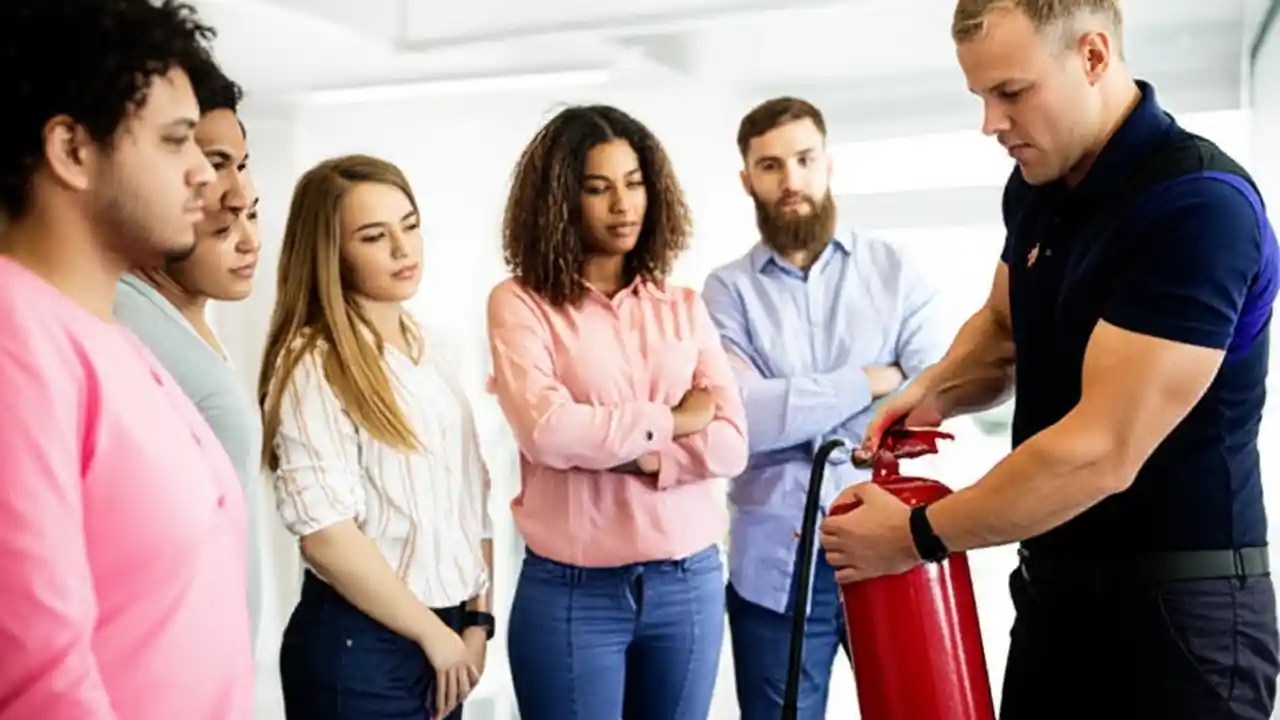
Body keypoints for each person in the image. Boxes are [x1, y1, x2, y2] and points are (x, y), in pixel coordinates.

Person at [819, 2, 1280, 718]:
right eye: (980, 97)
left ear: (1093, 56)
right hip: (1054, 596)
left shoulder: (1197, 208)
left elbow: (1102, 451)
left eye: (1011, 92)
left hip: (1181, 618)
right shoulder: (1037, 187)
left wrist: (915, 537)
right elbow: (1004, 327)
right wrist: (934, 388)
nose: (991, 123)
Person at [0, 1, 254, 718]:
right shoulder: (16, 339)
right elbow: (38, 681)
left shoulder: (112, 336)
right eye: (176, 143)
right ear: (73, 150)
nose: (204, 178)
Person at [487, 104, 749, 719]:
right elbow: (549, 433)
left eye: (633, 184)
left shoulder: (682, 305)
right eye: (598, 188)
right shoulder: (520, 304)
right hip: (573, 595)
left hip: (688, 584)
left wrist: (624, 448)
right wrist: (676, 420)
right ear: (560, 200)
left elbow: (733, 442)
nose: (622, 205)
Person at [700, 96, 946, 719]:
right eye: (771, 165)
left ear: (828, 162)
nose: (791, 181)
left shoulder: (895, 271)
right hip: (775, 570)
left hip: (891, 546)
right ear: (746, 179)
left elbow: (932, 396)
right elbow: (743, 419)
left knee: (916, 709)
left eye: (804, 159)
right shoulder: (726, 292)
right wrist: (872, 377)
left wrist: (796, 401)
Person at [260, 154, 493, 720]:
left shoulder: (432, 349)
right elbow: (325, 536)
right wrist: (434, 636)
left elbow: (471, 502)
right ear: (331, 252)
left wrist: (476, 624)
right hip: (362, 646)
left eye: (409, 226)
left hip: (447, 637)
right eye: (374, 236)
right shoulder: (314, 364)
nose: (403, 249)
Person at [113, 51, 266, 651]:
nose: (233, 192)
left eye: (240, 164)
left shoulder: (182, 320)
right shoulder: (120, 316)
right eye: (209, 160)